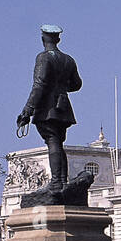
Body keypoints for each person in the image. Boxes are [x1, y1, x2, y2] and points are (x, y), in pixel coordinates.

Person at [17, 25, 82, 192]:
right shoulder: (68, 59)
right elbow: (77, 84)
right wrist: (61, 87)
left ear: (43, 39)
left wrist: (27, 110)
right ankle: (62, 181)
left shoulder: (43, 58)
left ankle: (56, 182)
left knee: (52, 141)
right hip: (64, 107)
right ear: (58, 39)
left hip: (47, 108)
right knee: (58, 142)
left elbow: (39, 85)